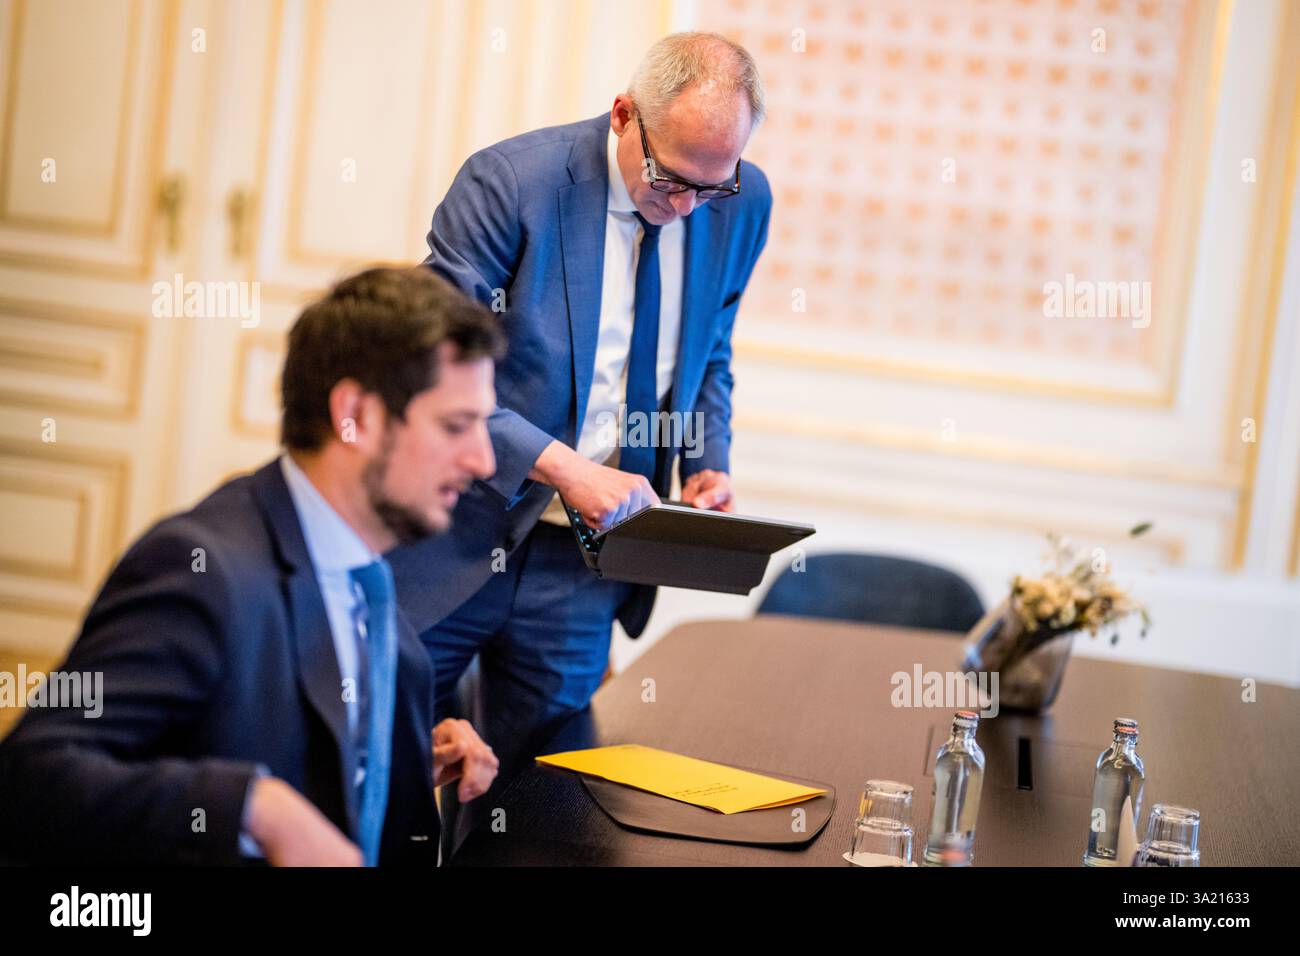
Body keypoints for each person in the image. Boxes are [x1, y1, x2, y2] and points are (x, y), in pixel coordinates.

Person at [387, 32, 772, 837]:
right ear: (624, 115)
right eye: (671, 181)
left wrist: (705, 464)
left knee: (535, 805)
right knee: (387, 770)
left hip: (584, 562)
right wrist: (564, 467)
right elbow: (435, 369)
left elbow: (708, 353)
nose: (690, 207)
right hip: (454, 529)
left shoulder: (743, 203)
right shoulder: (511, 182)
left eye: (715, 184)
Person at [0, 267, 502, 866]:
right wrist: (251, 807)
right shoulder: (203, 571)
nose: (484, 459)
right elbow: (28, 781)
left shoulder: (363, 568)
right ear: (356, 416)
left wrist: (380, 761)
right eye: (455, 425)